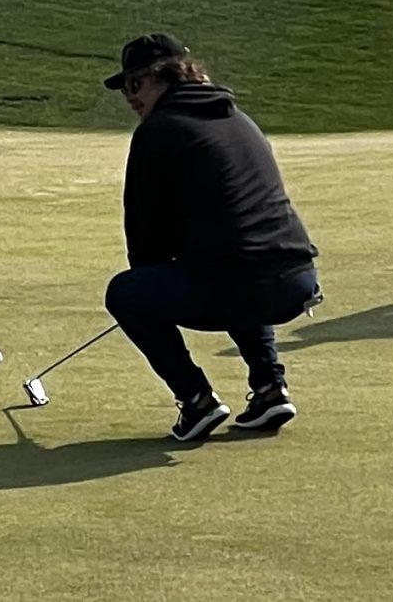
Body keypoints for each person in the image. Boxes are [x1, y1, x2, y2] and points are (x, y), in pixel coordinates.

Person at [102, 32, 320, 443]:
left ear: (166, 76)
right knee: (233, 269)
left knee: (125, 293)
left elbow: (144, 237)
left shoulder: (157, 132)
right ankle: (270, 387)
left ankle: (196, 399)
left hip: (247, 283)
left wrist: (152, 287)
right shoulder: (236, 117)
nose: (130, 97)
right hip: (299, 280)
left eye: (135, 84)